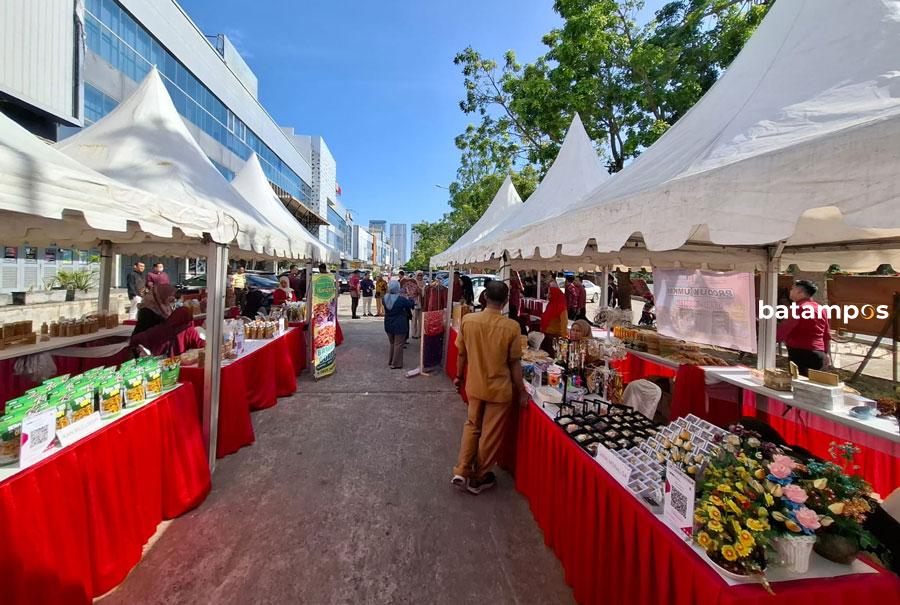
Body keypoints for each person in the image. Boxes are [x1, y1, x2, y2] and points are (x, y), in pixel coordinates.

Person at [451, 281, 526, 495]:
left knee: (472, 425)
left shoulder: (468, 320)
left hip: (474, 384)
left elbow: (462, 354)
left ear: (484, 296)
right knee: (489, 434)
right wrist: (521, 391)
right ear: (504, 301)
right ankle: (479, 476)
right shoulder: (511, 327)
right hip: (499, 389)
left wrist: (458, 377)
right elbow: (514, 363)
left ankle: (462, 469)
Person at [776, 279, 831, 376]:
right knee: (814, 385)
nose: (790, 291)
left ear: (800, 291)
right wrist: (826, 353)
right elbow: (826, 334)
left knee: (800, 385)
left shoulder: (798, 308)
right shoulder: (821, 309)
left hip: (800, 353)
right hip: (819, 353)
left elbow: (784, 329)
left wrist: (768, 342)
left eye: (792, 289)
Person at [130, 306, 204, 357]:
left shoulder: (162, 328)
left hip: (158, 364)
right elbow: (199, 343)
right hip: (178, 365)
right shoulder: (189, 330)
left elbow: (136, 339)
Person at [383, 280, 416, 368]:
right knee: (398, 344)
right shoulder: (401, 299)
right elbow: (411, 305)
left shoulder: (384, 298)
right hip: (399, 324)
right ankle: (395, 364)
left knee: (392, 343)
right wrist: (410, 296)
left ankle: (391, 361)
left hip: (388, 323)